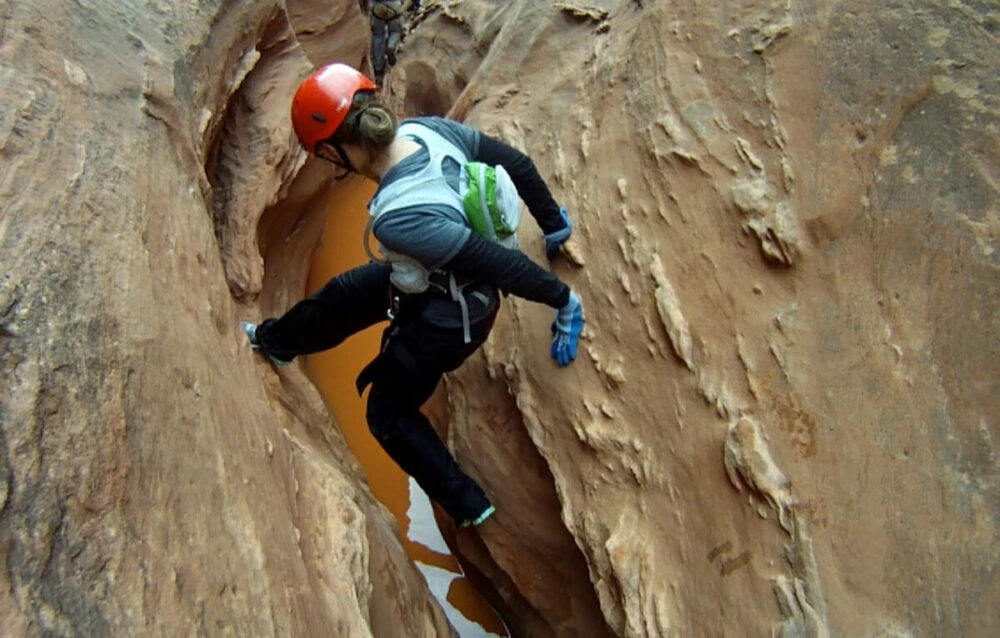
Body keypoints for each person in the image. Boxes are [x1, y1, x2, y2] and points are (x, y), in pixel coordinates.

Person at [242, 63, 580, 528]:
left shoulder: (397, 218)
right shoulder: (426, 130)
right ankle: (274, 342)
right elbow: (517, 164)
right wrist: (553, 222)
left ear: (339, 148)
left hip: (452, 318)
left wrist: (563, 301)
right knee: (345, 292)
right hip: (430, 278)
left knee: (386, 412)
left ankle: (469, 506)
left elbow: (497, 266)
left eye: (326, 154)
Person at [369, 1, 406, 81]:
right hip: (393, 6)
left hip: (377, 7)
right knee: (395, 31)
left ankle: (378, 68)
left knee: (378, 36)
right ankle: (391, 46)